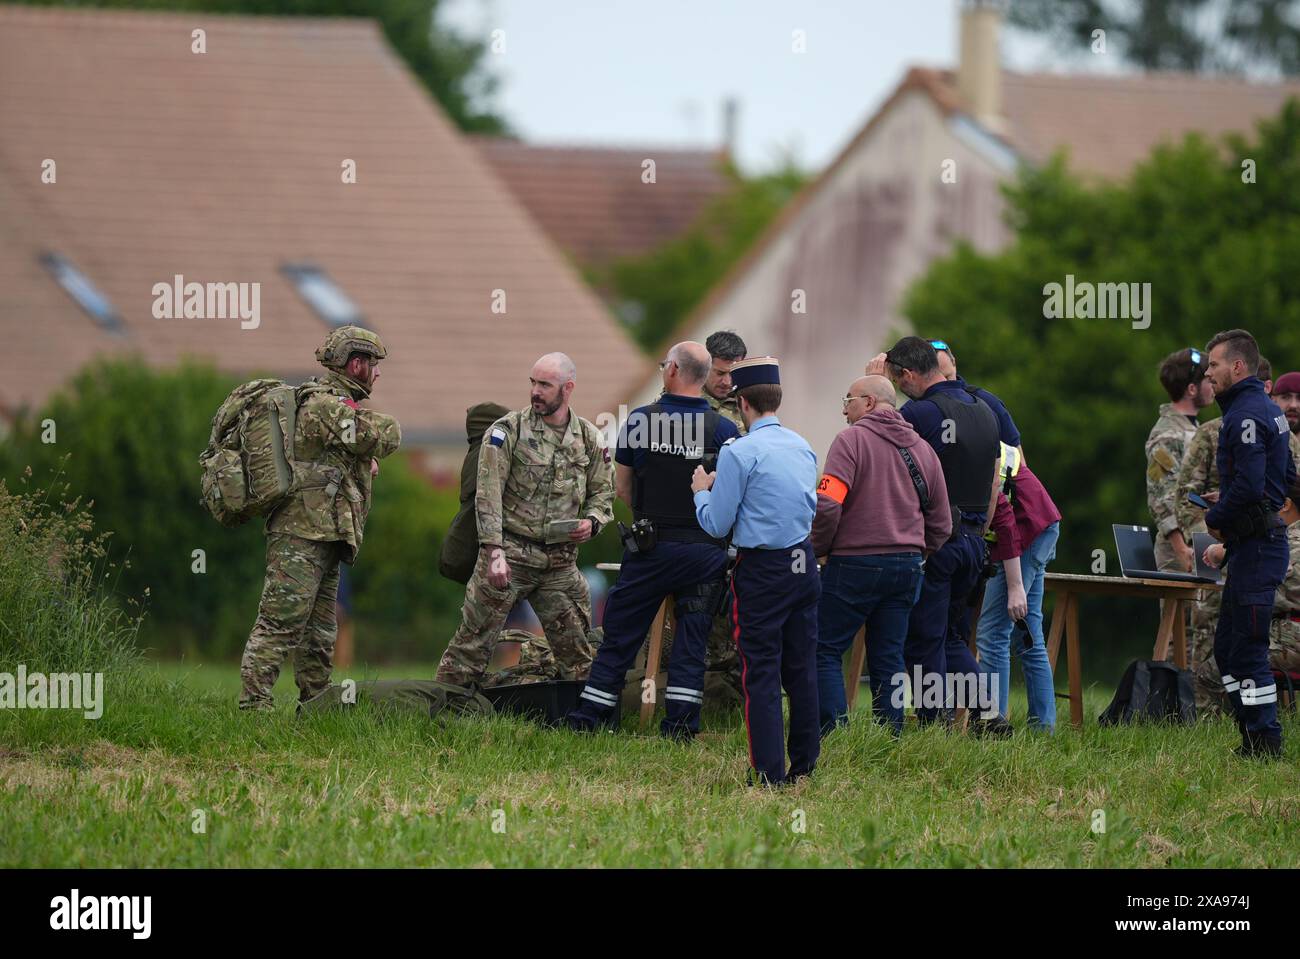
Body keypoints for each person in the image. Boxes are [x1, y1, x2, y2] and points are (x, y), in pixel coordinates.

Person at [566, 342, 738, 739]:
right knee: (692, 643)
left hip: (651, 547)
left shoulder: (641, 421)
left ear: (674, 369)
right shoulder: (724, 430)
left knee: (621, 637)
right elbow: (729, 498)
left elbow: (621, 488)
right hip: (704, 552)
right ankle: (679, 728)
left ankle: (590, 720)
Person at [240, 326, 402, 710]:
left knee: (320, 633)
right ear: (356, 364)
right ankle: (253, 708)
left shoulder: (336, 405)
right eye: (374, 365)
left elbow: (343, 452)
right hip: (300, 534)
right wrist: (380, 436)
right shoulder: (325, 404)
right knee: (280, 623)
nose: (378, 373)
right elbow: (384, 435)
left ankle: (313, 706)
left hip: (326, 534)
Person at [436, 353, 614, 688]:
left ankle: (577, 722)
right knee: (470, 647)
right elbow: (488, 495)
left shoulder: (589, 438)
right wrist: (493, 551)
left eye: (545, 384)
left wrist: (592, 521)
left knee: (578, 655)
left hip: (560, 563)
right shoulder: (506, 432)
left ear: (568, 387)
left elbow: (603, 492)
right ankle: (443, 713)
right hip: (511, 553)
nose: (536, 391)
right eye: (533, 382)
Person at [692, 357, 821, 784]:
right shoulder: (802, 445)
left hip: (762, 569)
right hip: (804, 563)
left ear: (742, 402)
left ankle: (767, 772)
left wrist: (701, 492)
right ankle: (804, 765)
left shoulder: (739, 452)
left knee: (761, 671)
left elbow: (717, 523)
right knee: (801, 668)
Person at [867, 337, 1000, 724]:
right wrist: (982, 530)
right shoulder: (984, 409)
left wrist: (874, 388)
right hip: (975, 540)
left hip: (938, 541)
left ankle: (933, 719)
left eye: (896, 379)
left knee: (924, 637)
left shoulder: (922, 413)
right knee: (947, 636)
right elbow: (995, 480)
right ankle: (988, 713)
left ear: (907, 376)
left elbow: (873, 440)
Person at [812, 375, 950, 735]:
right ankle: (889, 737)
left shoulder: (850, 441)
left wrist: (817, 549)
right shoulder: (924, 449)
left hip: (854, 563)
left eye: (849, 400)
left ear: (870, 403)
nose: (844, 409)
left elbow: (827, 504)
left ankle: (834, 732)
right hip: (906, 567)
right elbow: (942, 523)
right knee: (888, 656)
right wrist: (918, 552)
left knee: (823, 648)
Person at [1198, 329, 1295, 759]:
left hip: (1258, 547)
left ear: (1238, 366)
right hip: (1251, 546)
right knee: (1227, 649)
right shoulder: (1266, 412)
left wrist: (1216, 517)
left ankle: (1265, 741)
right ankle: (1250, 732)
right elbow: (1287, 479)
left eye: (1214, 365)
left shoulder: (1246, 416)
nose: (1208, 373)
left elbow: (1253, 485)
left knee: (1249, 649)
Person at [1177, 357, 1275, 713]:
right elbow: (1184, 497)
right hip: (1211, 547)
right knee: (1206, 635)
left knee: (1248, 641)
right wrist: (1203, 540)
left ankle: (1250, 716)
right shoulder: (1212, 432)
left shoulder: (1279, 433)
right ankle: (1204, 712)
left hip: (1257, 548)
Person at [974, 444, 1062, 734]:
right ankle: (1043, 728)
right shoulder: (987, 432)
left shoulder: (974, 456)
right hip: (1044, 525)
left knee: (993, 633)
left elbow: (1006, 525)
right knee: (1030, 633)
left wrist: (1014, 586)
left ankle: (992, 725)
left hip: (1024, 533)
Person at [1204, 475, 1300, 703]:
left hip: (1293, 639)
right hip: (1289, 634)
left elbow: (1260, 592)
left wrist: (1227, 551)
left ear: (1285, 504)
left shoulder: (1288, 543)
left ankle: (1242, 726)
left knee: (1214, 670)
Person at [1147, 348, 1214, 573]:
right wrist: (1181, 548)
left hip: (1201, 542)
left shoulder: (1194, 431)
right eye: (1207, 378)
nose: (1212, 383)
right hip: (1180, 551)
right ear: (1192, 389)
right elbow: (1161, 494)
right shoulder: (1168, 435)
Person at [703, 330, 747, 433]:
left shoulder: (749, 402)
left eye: (733, 373)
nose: (727, 382)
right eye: (720, 373)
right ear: (706, 366)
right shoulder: (687, 400)